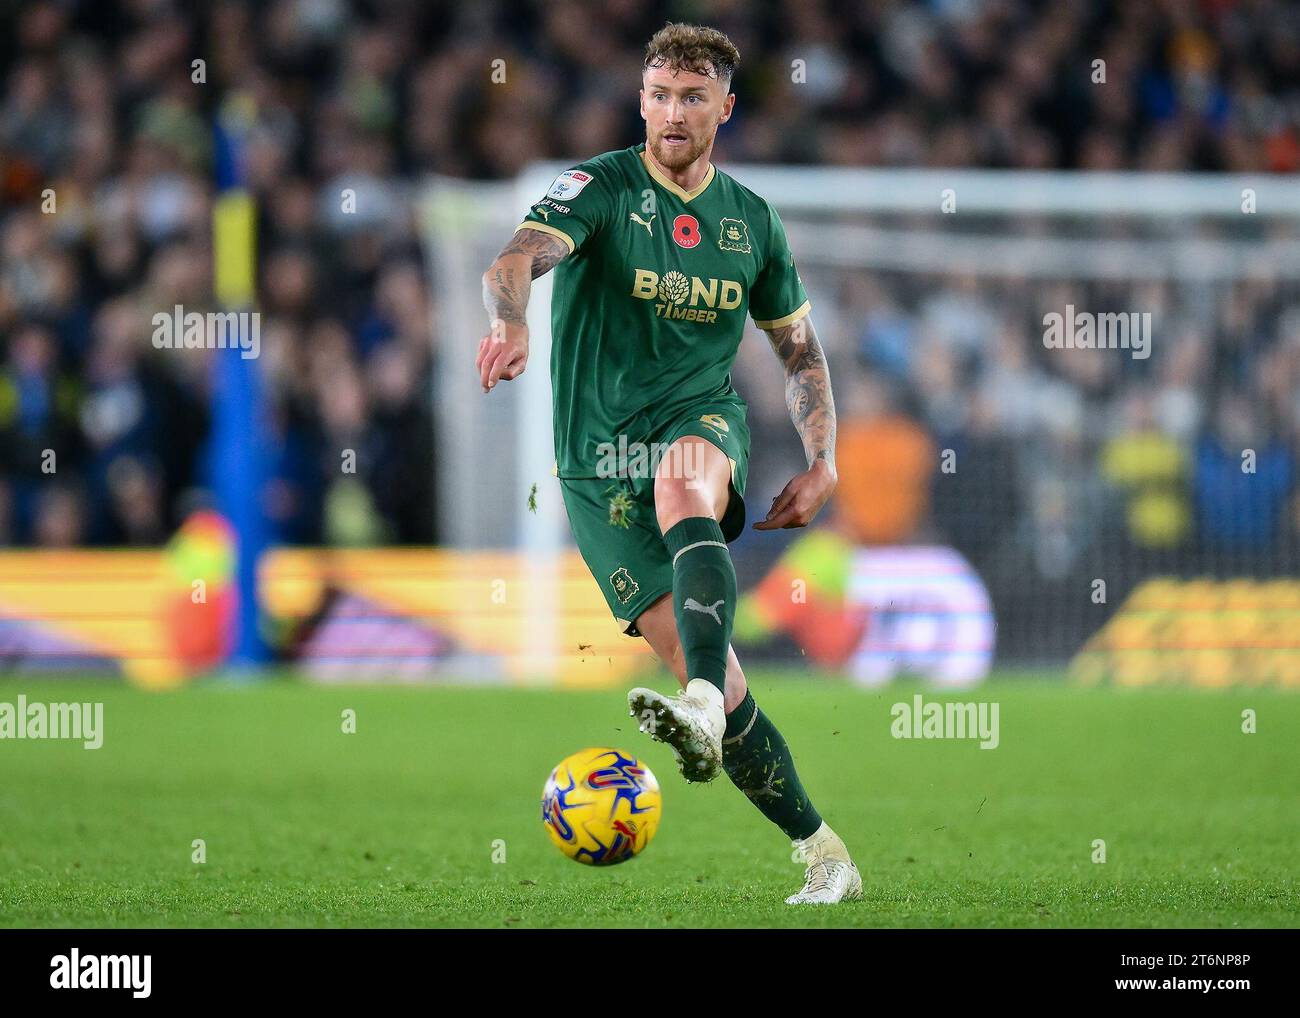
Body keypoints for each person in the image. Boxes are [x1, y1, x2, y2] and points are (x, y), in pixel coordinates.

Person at [477, 23, 859, 904]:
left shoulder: (751, 222)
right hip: (593, 465)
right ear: (640, 99)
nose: (671, 112)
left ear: (727, 106)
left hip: (696, 421)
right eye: (657, 94)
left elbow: (798, 352)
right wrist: (510, 319)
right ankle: (825, 850)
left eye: (692, 97)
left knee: (684, 474)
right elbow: (517, 259)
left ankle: (691, 698)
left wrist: (823, 458)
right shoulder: (600, 187)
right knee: (726, 690)